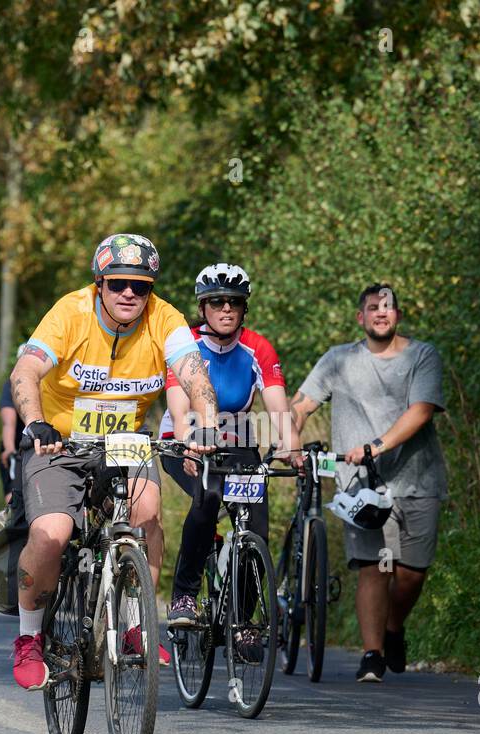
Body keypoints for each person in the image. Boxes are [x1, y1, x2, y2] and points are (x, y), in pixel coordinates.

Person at [7, 233, 221, 691]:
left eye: (140, 286)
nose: (129, 294)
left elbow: (193, 373)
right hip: (58, 443)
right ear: (99, 283)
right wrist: (36, 422)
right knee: (52, 534)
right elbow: (25, 371)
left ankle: (135, 623)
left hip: (125, 443)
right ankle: (28, 638)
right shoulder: (71, 312)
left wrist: (206, 423)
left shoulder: (165, 318)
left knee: (146, 515)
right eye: (119, 283)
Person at [288, 284, 448, 683]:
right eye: (373, 308)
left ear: (398, 316)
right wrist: (290, 442)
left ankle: (394, 628)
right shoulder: (338, 360)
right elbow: (301, 404)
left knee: (411, 573)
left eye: (388, 307)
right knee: (375, 568)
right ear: (360, 317)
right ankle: (372, 654)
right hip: (359, 487)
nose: (381, 313)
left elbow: (422, 410)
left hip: (417, 478)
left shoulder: (422, 356)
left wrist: (376, 446)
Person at [159, 263, 301, 637]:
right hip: (184, 441)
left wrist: (294, 448)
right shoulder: (185, 345)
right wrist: (190, 443)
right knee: (207, 499)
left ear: (244, 309)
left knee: (257, 529)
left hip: (237, 444)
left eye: (234, 303)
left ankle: (242, 623)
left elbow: (278, 409)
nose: (226, 309)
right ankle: (184, 596)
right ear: (203, 308)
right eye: (217, 302)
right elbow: (179, 404)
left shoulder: (257, 348)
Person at [0, 377, 19, 504]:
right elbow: (8, 422)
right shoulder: (12, 384)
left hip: (45, 446)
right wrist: (9, 448)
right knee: (13, 500)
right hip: (17, 447)